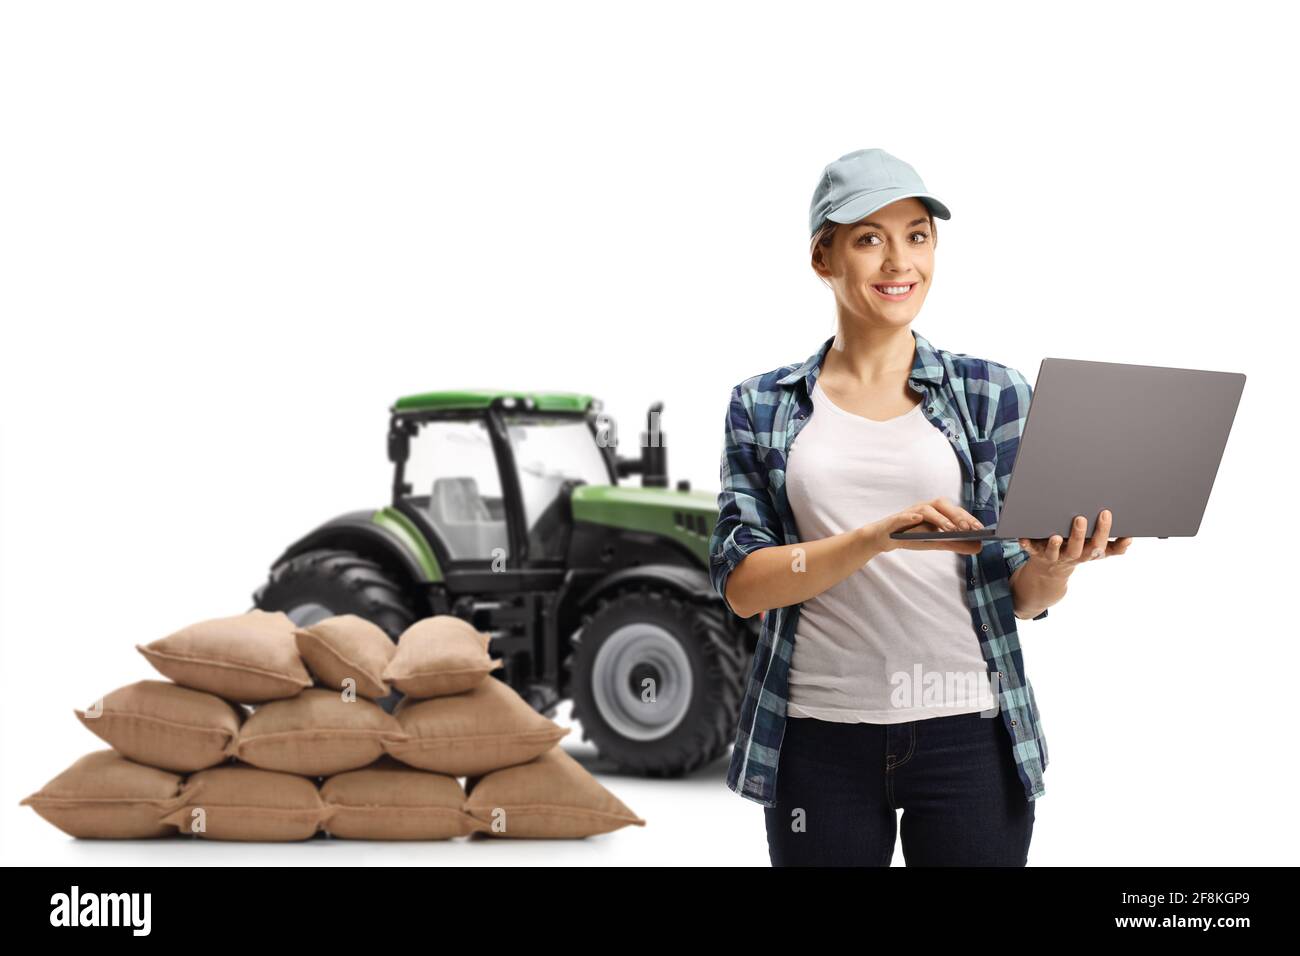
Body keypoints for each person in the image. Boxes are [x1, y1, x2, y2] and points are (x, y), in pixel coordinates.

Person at [707, 148, 1133, 866]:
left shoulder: (992, 392)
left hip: (967, 729)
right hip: (817, 733)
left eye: (918, 235)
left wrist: (1056, 570)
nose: (899, 261)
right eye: (869, 238)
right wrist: (877, 537)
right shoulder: (763, 405)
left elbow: (1020, 595)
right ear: (823, 257)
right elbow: (746, 586)